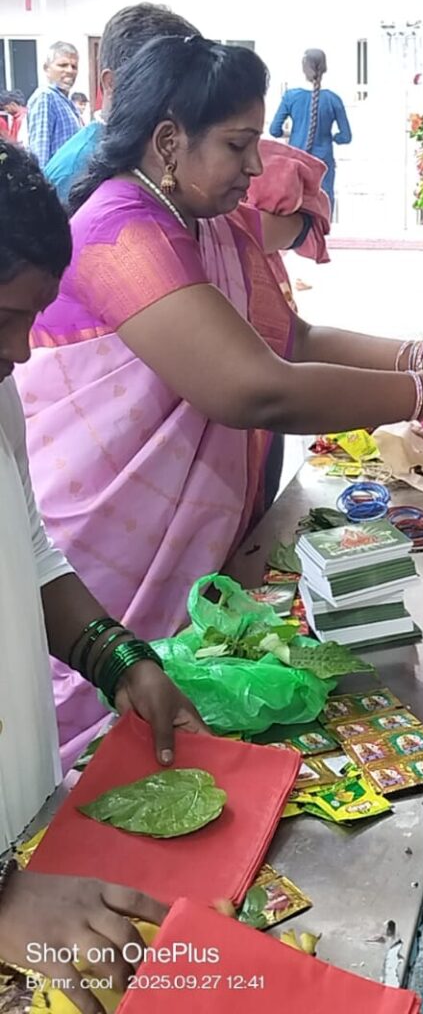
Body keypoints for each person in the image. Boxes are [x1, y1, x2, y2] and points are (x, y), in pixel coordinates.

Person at [16, 35, 423, 768]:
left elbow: (292, 335)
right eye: (238, 144)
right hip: (103, 549)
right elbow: (254, 386)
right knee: (93, 760)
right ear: (167, 141)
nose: (256, 167)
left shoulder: (208, 221)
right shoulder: (119, 229)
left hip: (184, 538)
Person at [0, 139, 208, 1013]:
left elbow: (29, 553)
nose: (16, 351)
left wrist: (124, 661)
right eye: (0, 315)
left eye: (31, 319)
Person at [45, 4, 198, 206]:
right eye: (166, 82)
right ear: (112, 84)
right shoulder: (76, 169)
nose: (183, 98)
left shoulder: (148, 150)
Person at [269, 49, 351, 213]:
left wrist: (292, 133)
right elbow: (346, 136)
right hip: (324, 161)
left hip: (296, 158)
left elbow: (274, 130)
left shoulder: (291, 96)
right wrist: (332, 137)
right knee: (324, 201)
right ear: (325, 68)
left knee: (295, 202)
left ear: (304, 68)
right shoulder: (333, 99)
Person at [27, 42, 82, 167]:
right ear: (47, 68)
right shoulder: (45, 97)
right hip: (53, 184)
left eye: (74, 66)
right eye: (63, 65)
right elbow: (39, 153)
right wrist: (41, 185)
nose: (69, 71)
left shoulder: (66, 102)